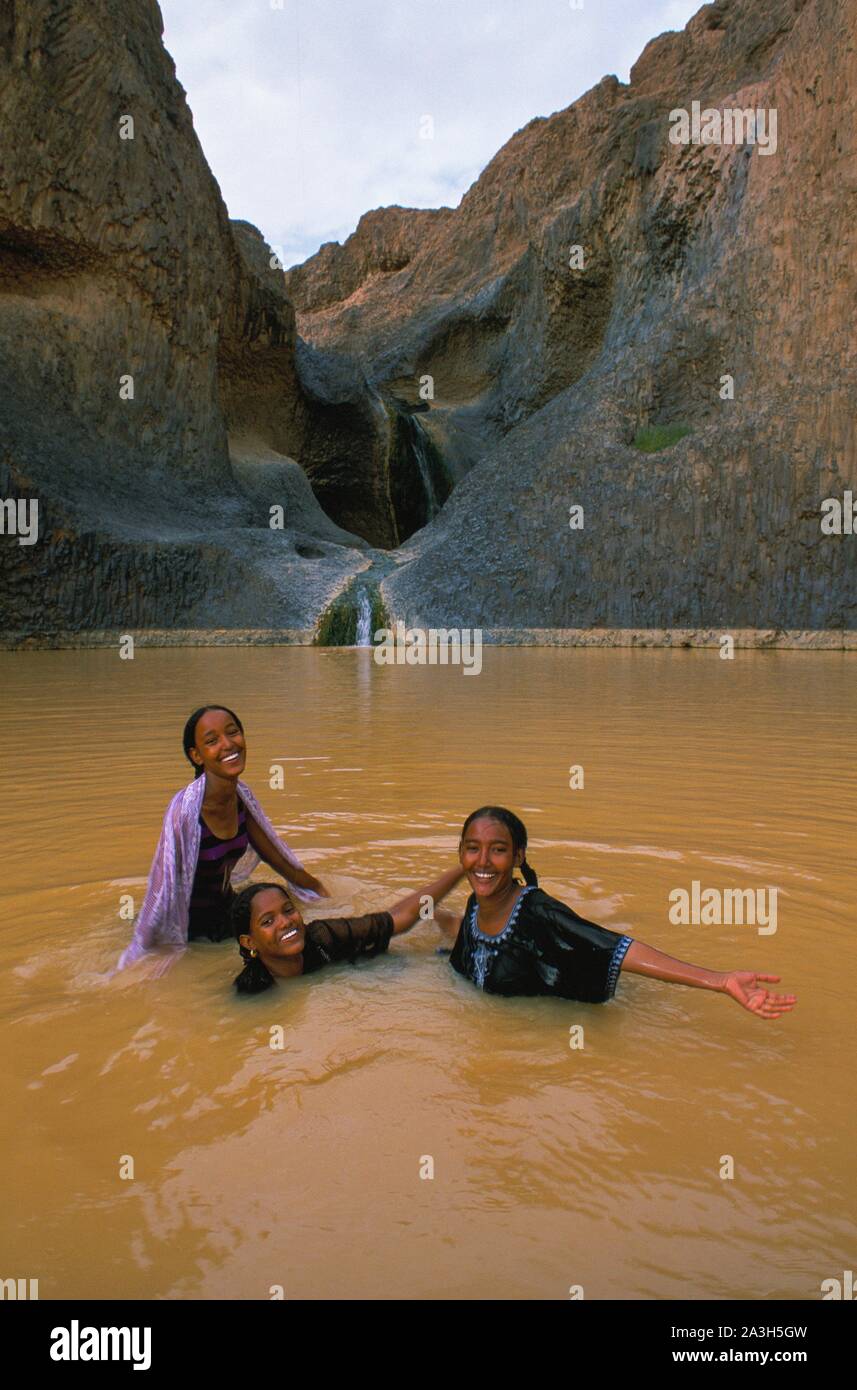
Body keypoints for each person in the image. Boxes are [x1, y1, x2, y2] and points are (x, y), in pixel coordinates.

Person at [441, 806, 797, 1020]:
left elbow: (617, 947)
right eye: (473, 849)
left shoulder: (539, 912)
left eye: (498, 850)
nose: (483, 862)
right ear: (461, 852)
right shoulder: (476, 903)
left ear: (517, 857)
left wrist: (718, 980)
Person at [115, 705, 327, 972]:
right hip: (190, 930)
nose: (228, 745)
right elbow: (164, 885)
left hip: (226, 912)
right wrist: (146, 950)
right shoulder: (185, 813)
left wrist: (320, 892)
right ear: (197, 755)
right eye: (212, 741)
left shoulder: (241, 799)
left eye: (233, 733)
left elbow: (277, 857)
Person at [231, 864, 465, 993]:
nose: (285, 922)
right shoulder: (253, 989)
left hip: (368, 959)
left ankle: (442, 919)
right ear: (249, 942)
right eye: (267, 921)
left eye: (288, 910)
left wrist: (463, 868)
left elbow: (397, 918)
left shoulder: (323, 937)